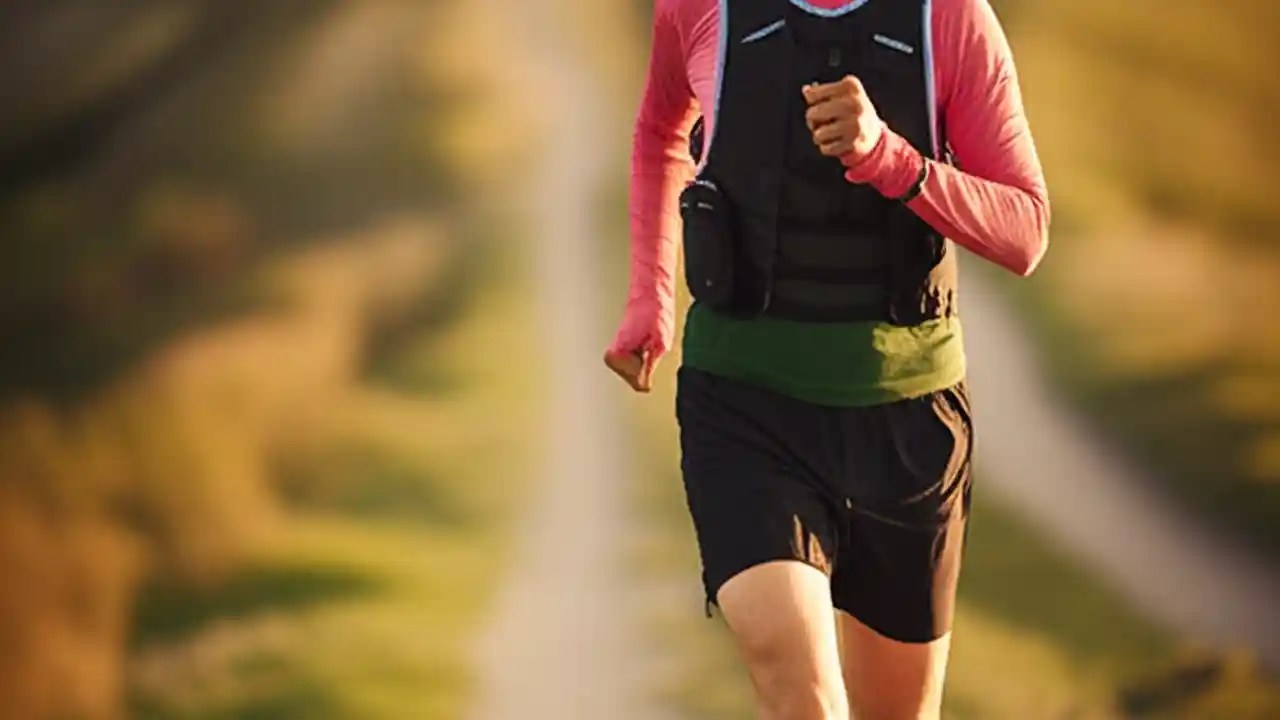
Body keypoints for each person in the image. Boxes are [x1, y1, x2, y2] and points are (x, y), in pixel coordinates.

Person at [605, 0, 1049, 717]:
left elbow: (1026, 230)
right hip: (747, 408)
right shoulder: (697, 9)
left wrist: (890, 159)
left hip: (909, 421)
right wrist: (648, 300)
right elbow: (659, 132)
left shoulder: (951, 18)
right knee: (801, 691)